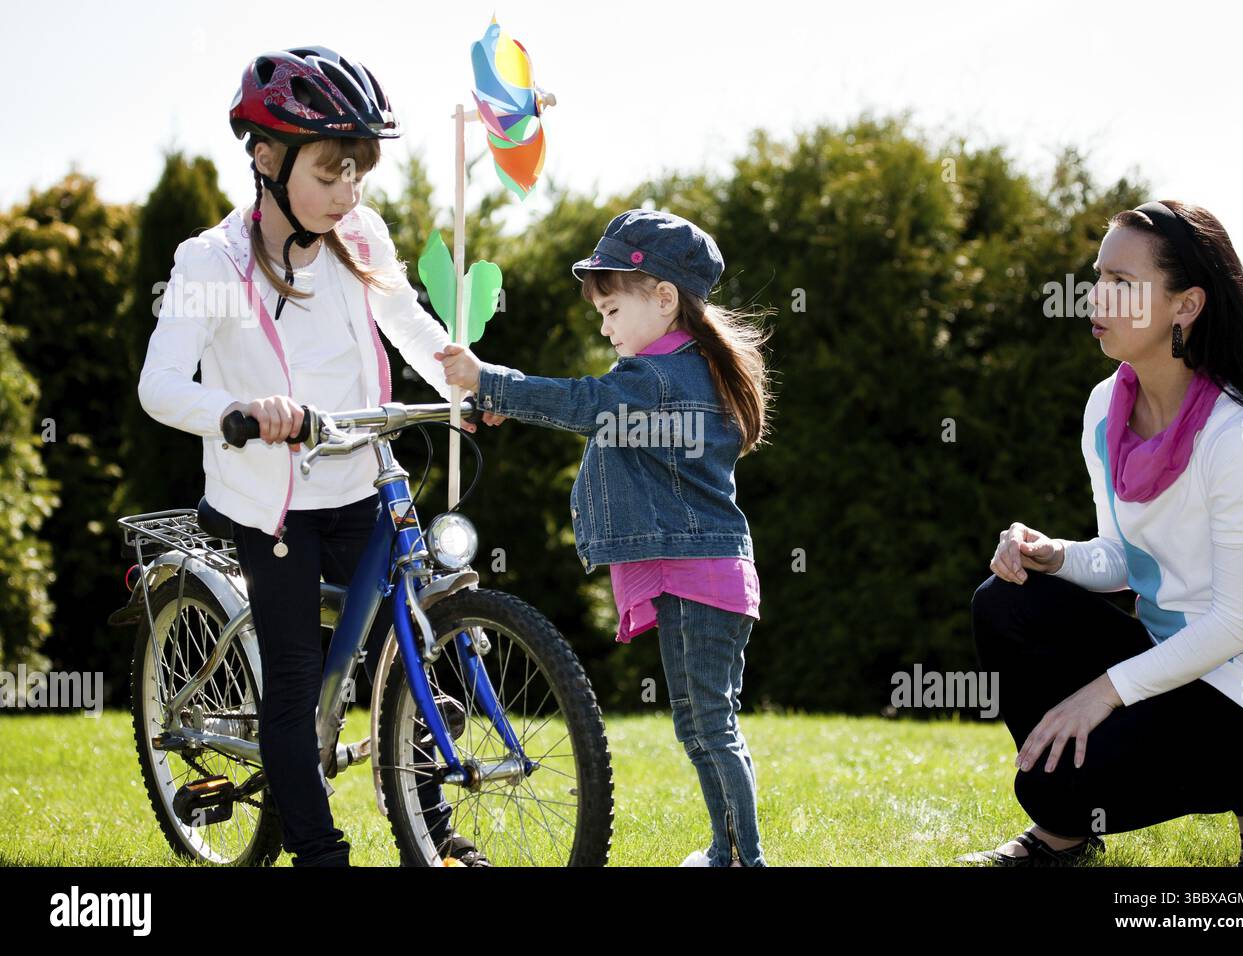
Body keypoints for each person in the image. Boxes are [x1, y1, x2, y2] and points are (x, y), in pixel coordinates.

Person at [137, 46, 502, 866]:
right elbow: (159, 386)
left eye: (358, 175)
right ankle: (315, 850)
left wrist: (460, 376)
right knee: (296, 678)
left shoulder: (359, 233)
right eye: (331, 173)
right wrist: (238, 411)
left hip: (360, 477)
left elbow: (404, 319)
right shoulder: (211, 262)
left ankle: (434, 835)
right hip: (271, 503)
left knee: (406, 656)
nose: (349, 194)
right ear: (266, 158)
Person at [961, 200, 1243, 867]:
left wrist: (1104, 692)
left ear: (1186, 305)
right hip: (1167, 656)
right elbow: (1125, 559)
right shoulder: (1105, 407)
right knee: (1005, 601)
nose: (1097, 297)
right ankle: (1065, 835)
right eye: (1098, 277)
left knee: (1049, 785)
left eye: (1123, 282)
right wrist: (1053, 556)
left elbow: (1234, 623)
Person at [436, 209, 774, 866]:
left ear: (664, 299)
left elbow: (585, 404)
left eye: (613, 308)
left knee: (708, 728)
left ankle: (741, 858)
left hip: (696, 574)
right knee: (708, 726)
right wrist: (512, 402)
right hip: (715, 573)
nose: (604, 323)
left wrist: (487, 380)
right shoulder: (689, 370)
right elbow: (598, 417)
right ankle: (728, 850)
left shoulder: (655, 375)